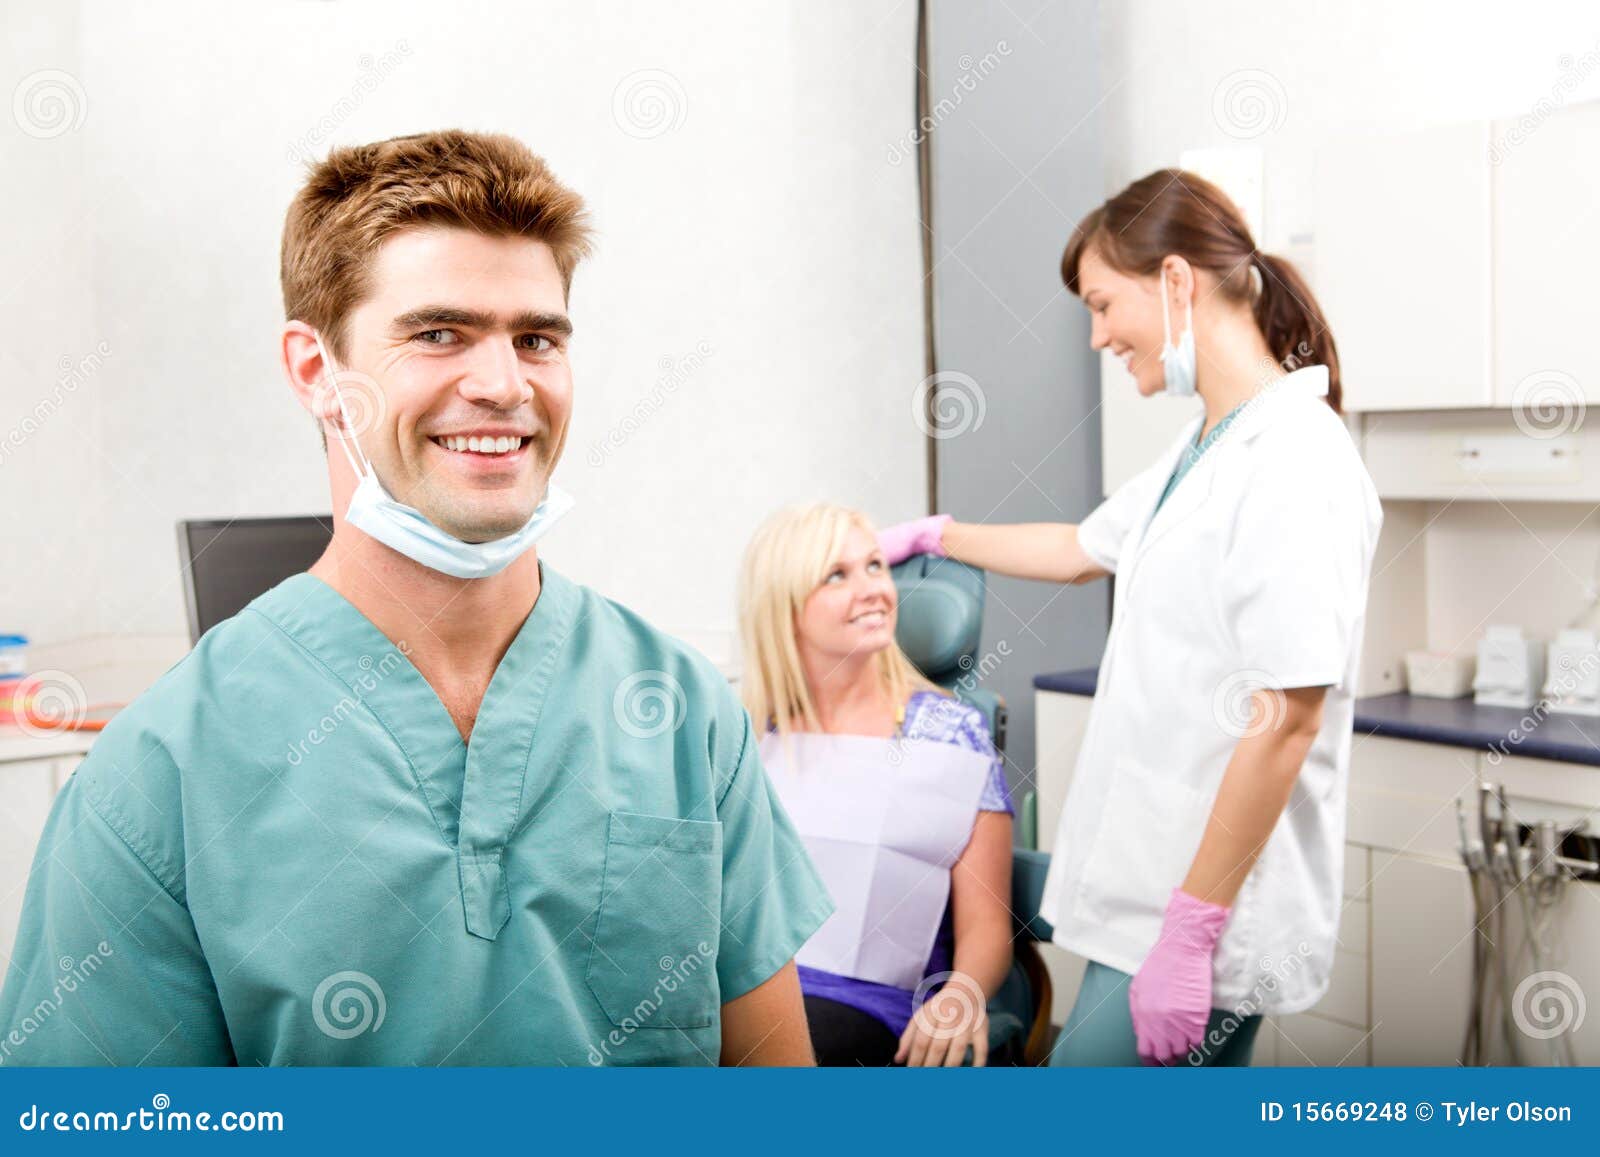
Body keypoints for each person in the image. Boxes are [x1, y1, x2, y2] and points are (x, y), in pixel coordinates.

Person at [0, 130, 833, 1067]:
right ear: (315, 371)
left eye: (536, 338)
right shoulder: (162, 773)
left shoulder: (680, 712)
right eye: (439, 334)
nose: (504, 385)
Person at [880, 170, 1382, 1066]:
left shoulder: (1296, 460)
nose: (1098, 335)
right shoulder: (1208, 445)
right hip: (1156, 891)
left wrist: (1192, 927)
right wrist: (938, 534)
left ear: (1177, 280)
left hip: (1203, 912)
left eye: (1104, 304)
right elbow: (1081, 547)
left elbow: (1287, 717)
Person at [739, 503, 1013, 1066]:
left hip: (867, 1003)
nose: (873, 591)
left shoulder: (950, 733)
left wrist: (961, 994)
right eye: (837, 575)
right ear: (786, 608)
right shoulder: (754, 733)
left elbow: (988, 927)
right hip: (755, 986)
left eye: (874, 566)